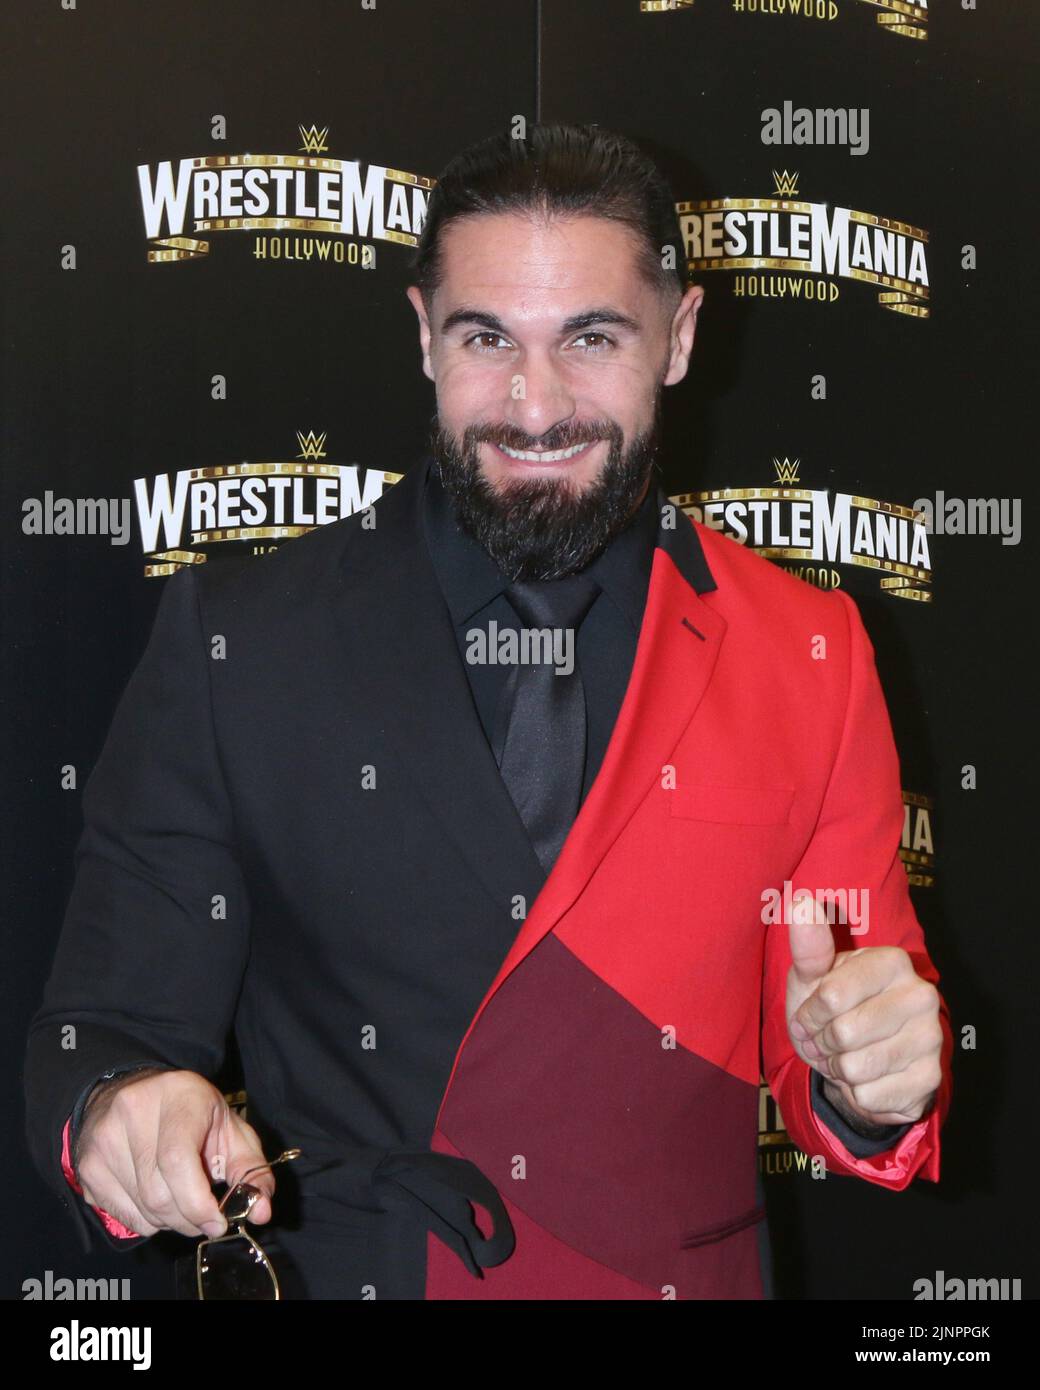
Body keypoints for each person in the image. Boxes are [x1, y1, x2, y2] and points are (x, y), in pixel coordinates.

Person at [24, 123, 952, 1300]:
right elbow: (96, 1030)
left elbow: (842, 1030)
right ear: (422, 335)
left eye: (591, 338)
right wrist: (118, 1108)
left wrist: (868, 1083)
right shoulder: (239, 638)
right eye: (484, 337)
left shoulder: (807, 652)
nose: (534, 403)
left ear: (679, 338)